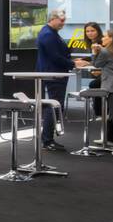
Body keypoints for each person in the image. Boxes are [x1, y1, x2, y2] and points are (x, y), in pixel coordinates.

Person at [36, 9, 87, 152]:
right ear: (53, 19)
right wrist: (73, 64)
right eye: (62, 20)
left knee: (55, 105)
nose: (63, 24)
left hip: (54, 74)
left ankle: (47, 139)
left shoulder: (50, 33)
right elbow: (55, 57)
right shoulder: (48, 34)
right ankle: (47, 140)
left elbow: (57, 55)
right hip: (54, 75)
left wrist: (72, 61)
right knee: (54, 106)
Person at [85, 30, 113, 143]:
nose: (102, 38)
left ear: (111, 39)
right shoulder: (111, 51)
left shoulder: (105, 52)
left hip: (111, 87)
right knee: (112, 116)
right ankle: (111, 139)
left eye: (105, 36)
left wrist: (94, 52)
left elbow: (96, 64)